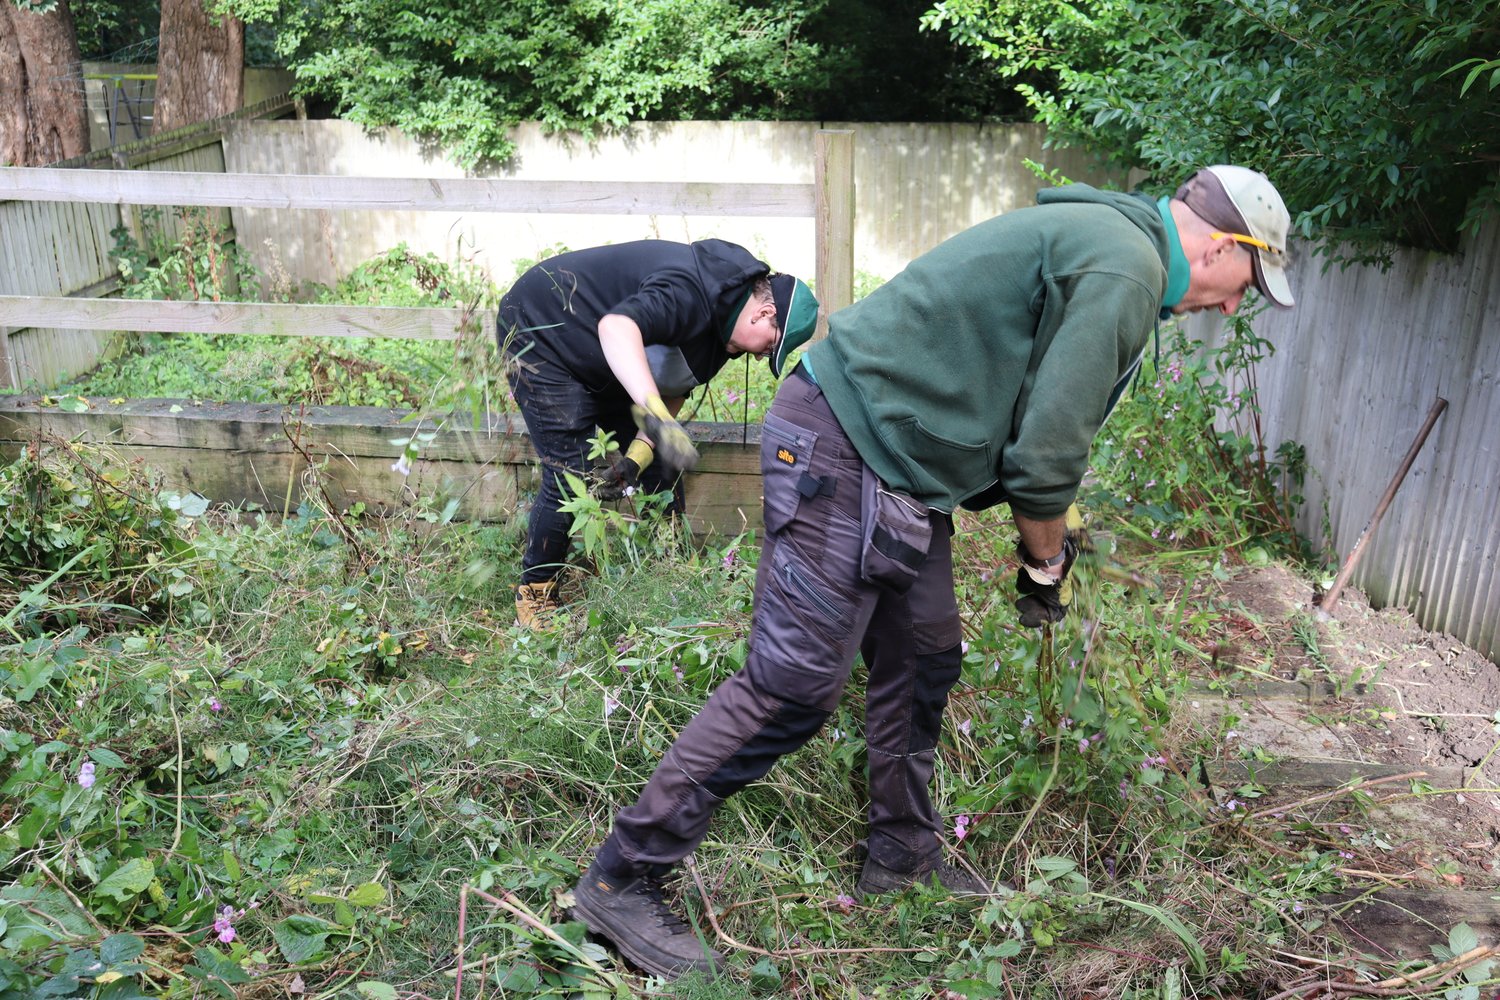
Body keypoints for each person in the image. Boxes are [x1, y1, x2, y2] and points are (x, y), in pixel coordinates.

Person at [568, 165, 1296, 978]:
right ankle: (623, 878)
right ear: (1221, 244)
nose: (1234, 304)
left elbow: (1034, 410)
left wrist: (1052, 518)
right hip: (843, 443)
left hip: (898, 465)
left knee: (923, 656)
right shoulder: (1125, 265)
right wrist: (1045, 561)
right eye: (1249, 280)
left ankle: (902, 855)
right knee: (792, 685)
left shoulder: (1114, 247)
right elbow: (1043, 460)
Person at [499, 239, 819, 629]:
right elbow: (616, 327)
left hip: (604, 356)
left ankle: (668, 573)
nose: (760, 356)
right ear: (764, 313)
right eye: (770, 346)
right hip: (542, 328)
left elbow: (672, 388)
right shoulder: (689, 291)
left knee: (660, 465)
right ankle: (534, 598)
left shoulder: (725, 332)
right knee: (571, 471)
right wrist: (654, 418)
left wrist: (639, 455)